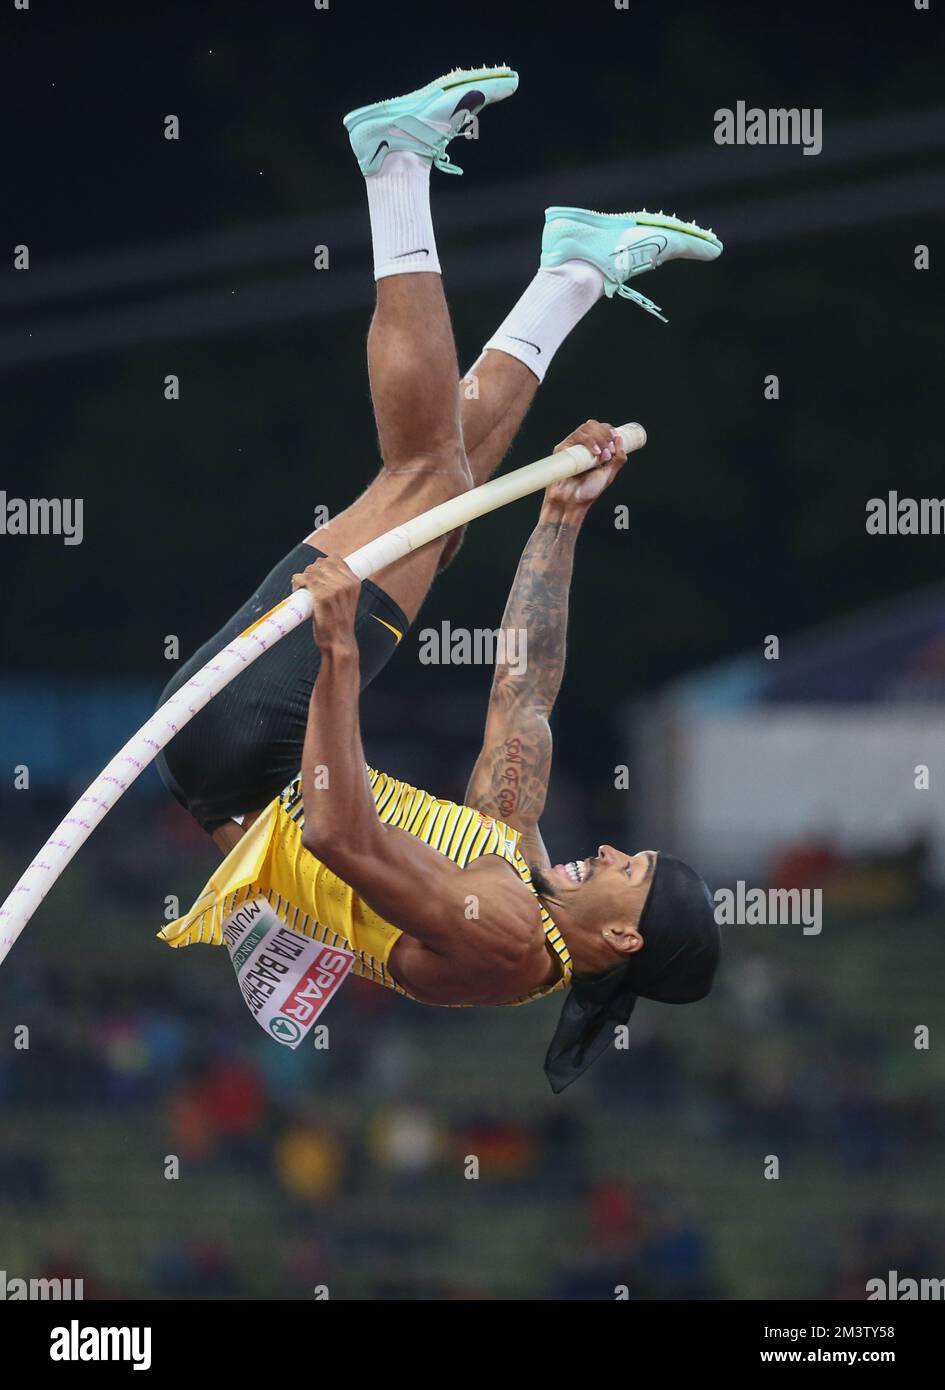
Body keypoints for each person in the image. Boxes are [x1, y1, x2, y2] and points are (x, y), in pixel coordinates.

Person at [157, 66, 722, 1089]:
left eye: (627, 876)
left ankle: (397, 164)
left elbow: (337, 829)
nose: (608, 856)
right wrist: (560, 519)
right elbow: (523, 690)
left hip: (256, 752)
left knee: (423, 476)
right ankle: (571, 276)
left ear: (626, 941)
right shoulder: (516, 877)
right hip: (252, 749)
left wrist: (335, 657)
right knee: (449, 511)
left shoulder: (506, 939)